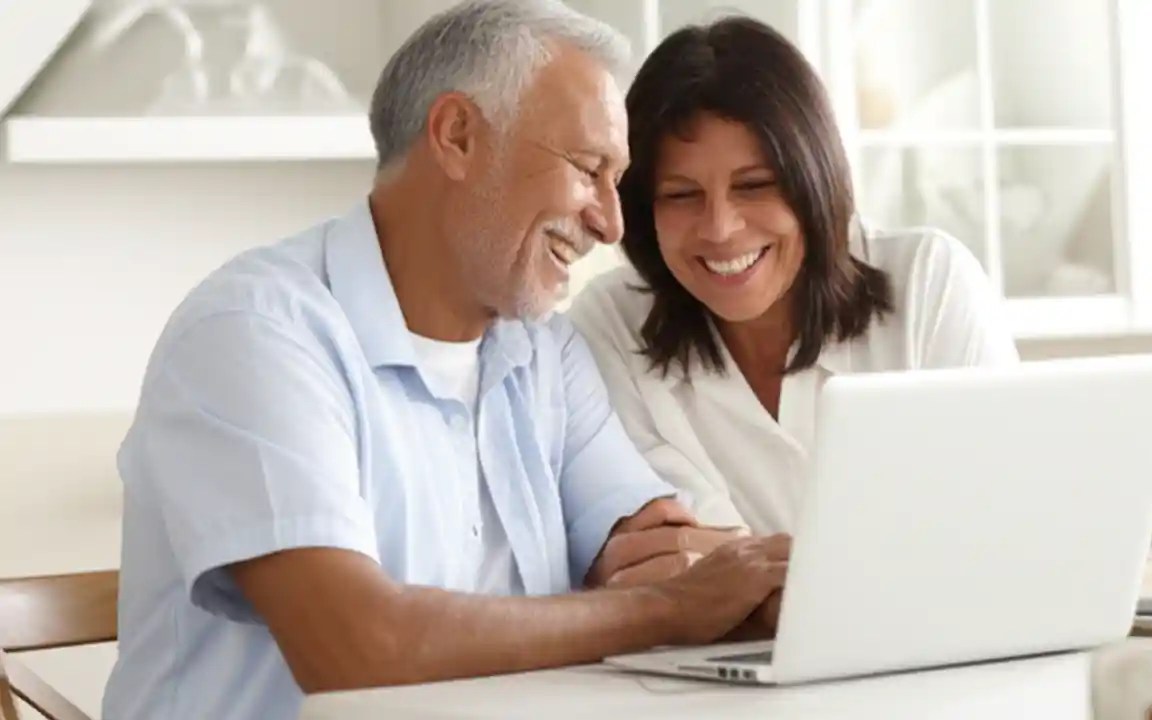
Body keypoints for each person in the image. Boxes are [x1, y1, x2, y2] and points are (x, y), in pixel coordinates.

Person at [101, 3, 788, 719]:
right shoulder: (255, 334)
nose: (610, 223)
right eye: (589, 170)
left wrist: (732, 587)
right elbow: (355, 647)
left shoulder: (543, 354)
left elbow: (659, 551)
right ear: (458, 136)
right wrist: (667, 609)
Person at [569, 17, 1019, 537]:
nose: (720, 229)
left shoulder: (927, 284)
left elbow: (997, 515)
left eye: (755, 185)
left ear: (815, 179)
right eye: (681, 195)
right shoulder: (611, 325)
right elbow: (678, 563)